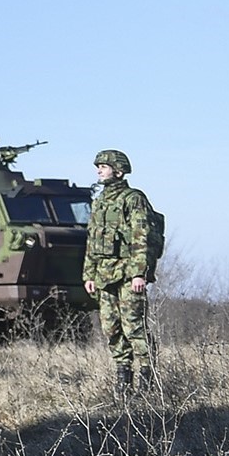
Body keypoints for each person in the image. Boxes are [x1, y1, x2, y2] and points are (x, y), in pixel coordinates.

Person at [82, 148, 156, 392]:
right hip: (104, 275)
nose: (99, 171)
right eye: (98, 167)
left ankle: (147, 381)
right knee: (111, 328)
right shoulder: (100, 201)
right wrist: (89, 274)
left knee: (134, 327)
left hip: (127, 273)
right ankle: (123, 382)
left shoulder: (133, 198)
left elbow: (141, 236)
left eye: (103, 167)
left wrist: (139, 273)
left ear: (119, 171)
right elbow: (92, 240)